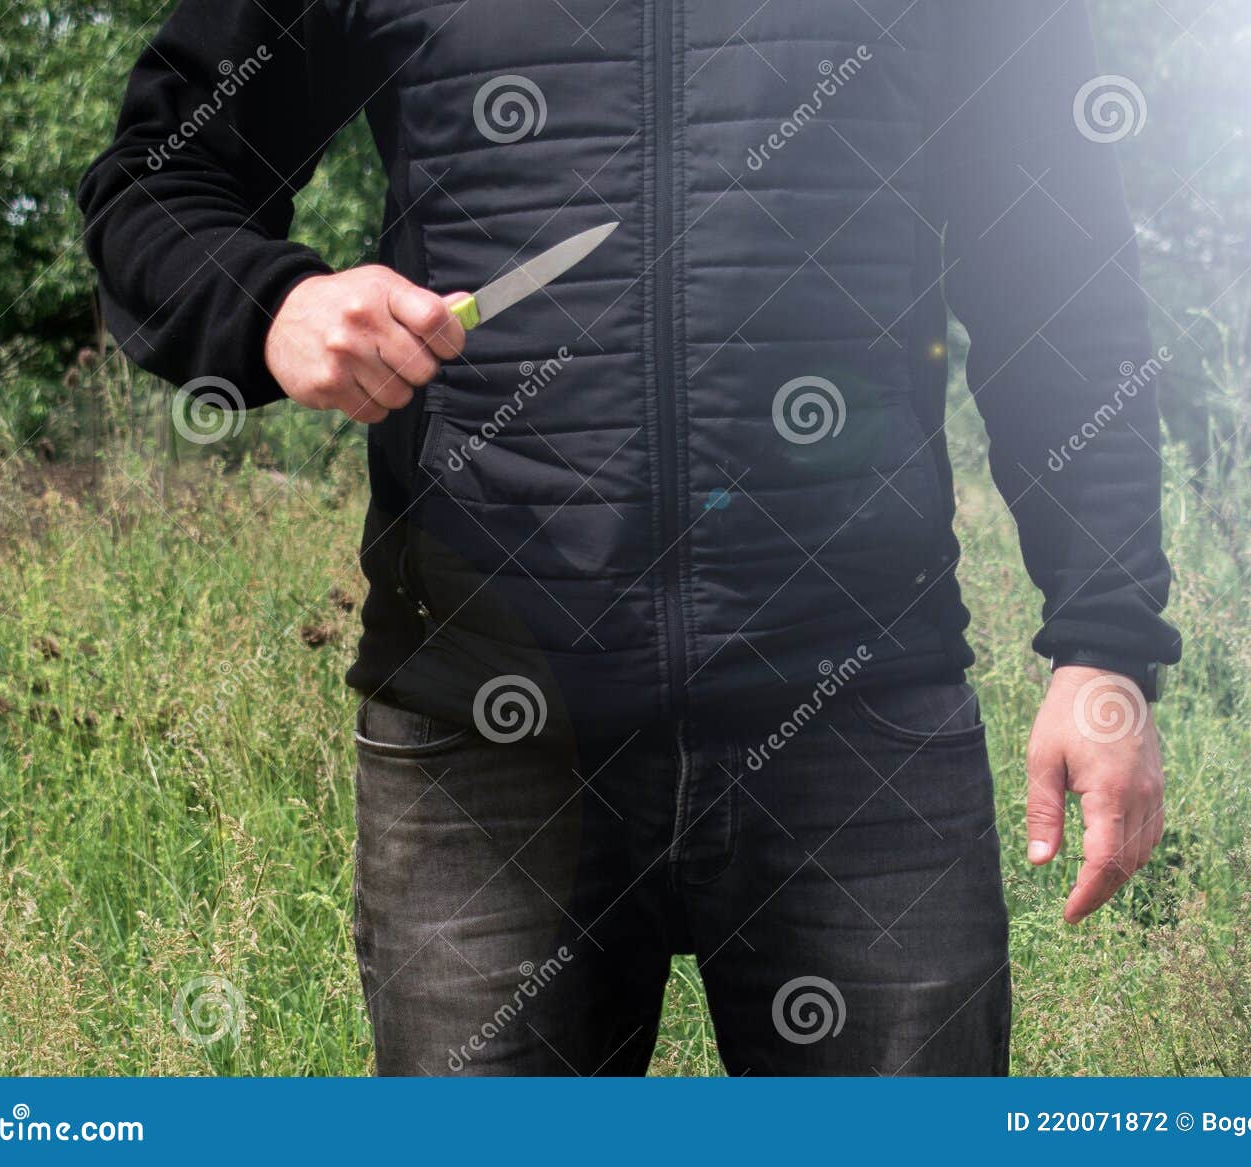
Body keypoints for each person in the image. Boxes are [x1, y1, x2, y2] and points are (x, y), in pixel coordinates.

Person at [79, 0, 1180, 1076]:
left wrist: (1106, 643)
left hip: (859, 726)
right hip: (487, 738)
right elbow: (155, 181)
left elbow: (1058, 273)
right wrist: (274, 303)